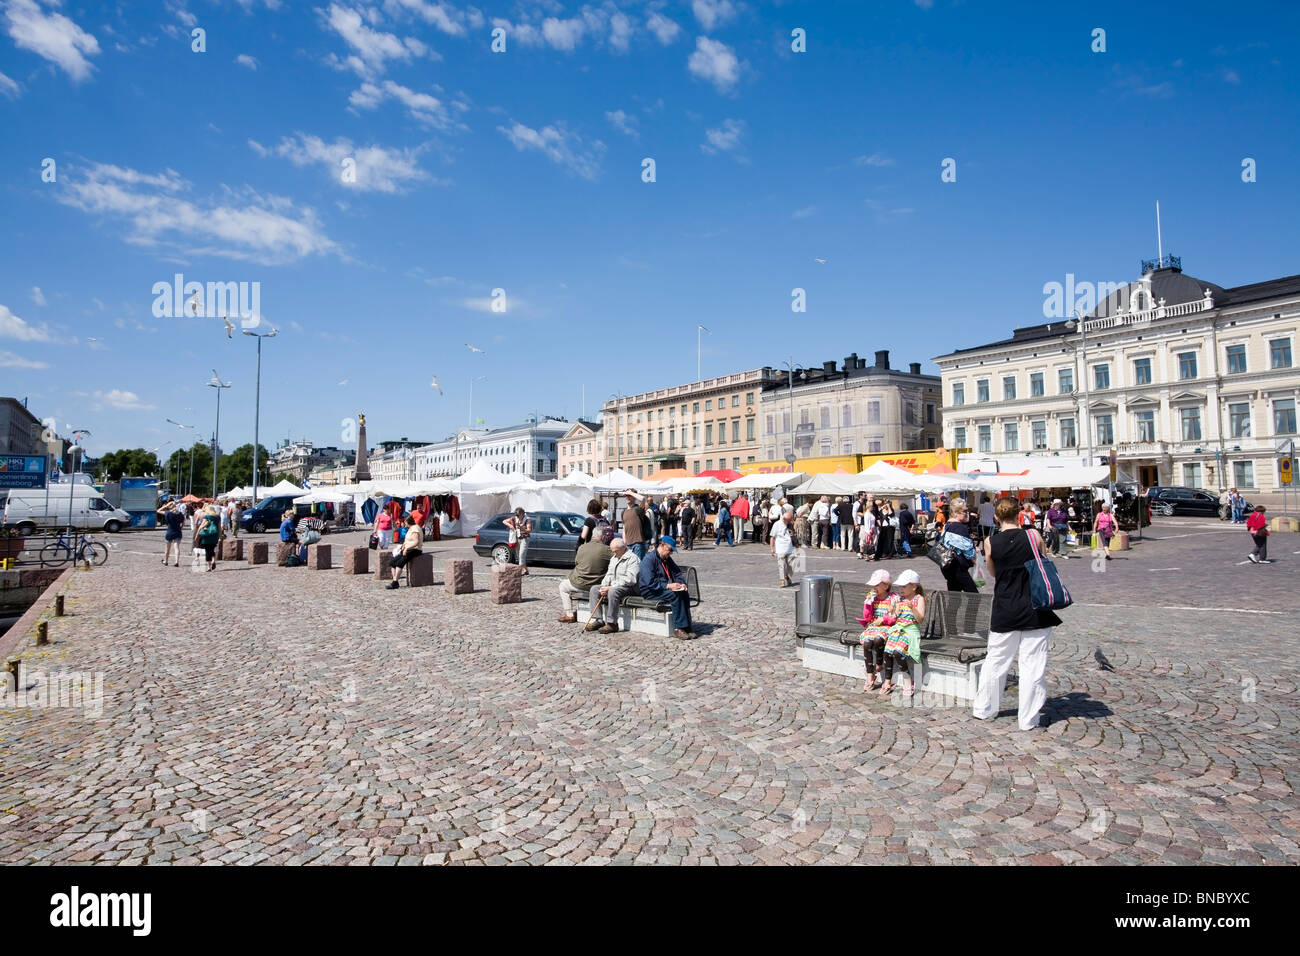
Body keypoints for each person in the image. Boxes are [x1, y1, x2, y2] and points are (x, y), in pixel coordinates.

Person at [973, 497, 1061, 731]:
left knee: (995, 661)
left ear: (996, 517)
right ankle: (1028, 719)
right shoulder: (1033, 536)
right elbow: (1044, 563)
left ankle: (984, 709)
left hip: (1005, 607)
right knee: (1033, 665)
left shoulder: (990, 541)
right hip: (1035, 606)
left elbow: (993, 573)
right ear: (1019, 514)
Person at [637, 536, 694, 639]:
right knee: (675, 595)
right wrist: (668, 586)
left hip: (662, 588)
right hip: (650, 591)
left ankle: (687, 626)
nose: (671, 553)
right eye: (670, 550)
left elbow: (677, 572)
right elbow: (650, 583)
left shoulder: (666, 558)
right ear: (662, 546)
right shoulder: (648, 560)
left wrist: (682, 583)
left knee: (684, 593)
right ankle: (678, 628)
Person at [881, 569, 925, 697]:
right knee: (887, 651)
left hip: (910, 630)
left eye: (904, 586)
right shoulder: (899, 599)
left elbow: (920, 619)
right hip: (899, 628)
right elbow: (894, 617)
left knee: (897, 652)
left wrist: (912, 607)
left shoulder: (918, 599)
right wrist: (893, 610)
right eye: (900, 586)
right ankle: (888, 680)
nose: (901, 589)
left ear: (914, 587)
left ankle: (908, 680)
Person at [858, 569, 899, 692]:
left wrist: (883, 619)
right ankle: (870, 674)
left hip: (886, 627)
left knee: (878, 639)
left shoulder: (893, 598)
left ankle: (879, 664)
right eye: (873, 585)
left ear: (886, 586)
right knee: (867, 642)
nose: (873, 587)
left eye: (876, 585)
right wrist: (868, 604)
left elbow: (893, 618)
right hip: (873, 626)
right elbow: (867, 617)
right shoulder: (872, 597)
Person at [588, 536, 641, 633]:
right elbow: (609, 574)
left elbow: (631, 579)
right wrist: (604, 586)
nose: (613, 553)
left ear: (623, 548)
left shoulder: (633, 559)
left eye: (615, 551)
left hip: (629, 588)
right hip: (614, 586)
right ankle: (598, 620)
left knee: (613, 591)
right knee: (594, 589)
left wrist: (611, 587)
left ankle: (612, 623)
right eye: (612, 551)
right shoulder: (614, 558)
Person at [558, 533, 612, 622]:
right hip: (597, 584)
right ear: (603, 537)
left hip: (579, 584)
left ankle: (569, 614)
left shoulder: (582, 547)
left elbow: (577, 563)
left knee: (562, 586)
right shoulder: (607, 550)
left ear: (592, 536)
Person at [940, 497, 979, 592]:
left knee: (954, 596)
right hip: (958, 567)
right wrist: (976, 560)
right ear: (955, 513)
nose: (967, 514)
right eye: (965, 511)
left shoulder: (948, 524)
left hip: (948, 565)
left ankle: (951, 608)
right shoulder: (959, 528)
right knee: (974, 596)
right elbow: (968, 551)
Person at [386, 515, 423, 589]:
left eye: (404, 522)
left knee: (400, 562)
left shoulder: (415, 529)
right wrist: (403, 546)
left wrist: (406, 549)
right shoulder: (410, 528)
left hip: (415, 550)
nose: (404, 524)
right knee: (393, 562)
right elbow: (408, 540)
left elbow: (416, 542)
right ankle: (395, 580)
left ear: (408, 522)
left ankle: (395, 582)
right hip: (407, 548)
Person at [770, 505, 798, 587]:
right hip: (780, 548)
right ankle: (782, 580)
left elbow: (793, 535)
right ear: (784, 519)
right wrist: (772, 548)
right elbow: (772, 537)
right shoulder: (777, 524)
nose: (790, 522)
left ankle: (786, 575)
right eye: (789, 520)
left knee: (790, 565)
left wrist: (796, 544)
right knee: (781, 565)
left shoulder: (790, 525)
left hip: (789, 548)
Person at [505, 508, 532, 574]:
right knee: (518, 555)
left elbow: (529, 530)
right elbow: (504, 521)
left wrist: (522, 528)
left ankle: (519, 571)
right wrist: (510, 525)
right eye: (516, 515)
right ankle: (525, 570)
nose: (517, 517)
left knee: (521, 555)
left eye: (518, 515)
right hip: (517, 538)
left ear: (522, 514)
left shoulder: (527, 520)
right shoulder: (514, 518)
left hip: (524, 539)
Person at [158, 502, 185, 567]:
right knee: (176, 548)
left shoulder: (168, 513)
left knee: (167, 548)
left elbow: (158, 511)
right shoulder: (180, 514)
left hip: (170, 531)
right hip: (178, 531)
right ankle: (176, 561)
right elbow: (183, 523)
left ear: (169, 507)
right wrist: (180, 528)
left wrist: (165, 506)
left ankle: (166, 561)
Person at [195, 504, 221, 571]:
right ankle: (213, 560)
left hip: (207, 535)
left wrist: (197, 534)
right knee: (213, 549)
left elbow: (201, 526)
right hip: (215, 535)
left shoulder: (207, 517)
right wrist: (219, 536)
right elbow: (219, 528)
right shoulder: (218, 517)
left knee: (208, 551)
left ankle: (209, 567)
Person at [621, 494, 646, 559]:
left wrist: (630, 492)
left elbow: (643, 499)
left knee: (638, 567)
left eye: (629, 496)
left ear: (634, 497)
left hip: (638, 543)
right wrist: (624, 542)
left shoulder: (638, 509)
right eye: (626, 496)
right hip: (628, 545)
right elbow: (624, 528)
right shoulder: (623, 512)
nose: (627, 497)